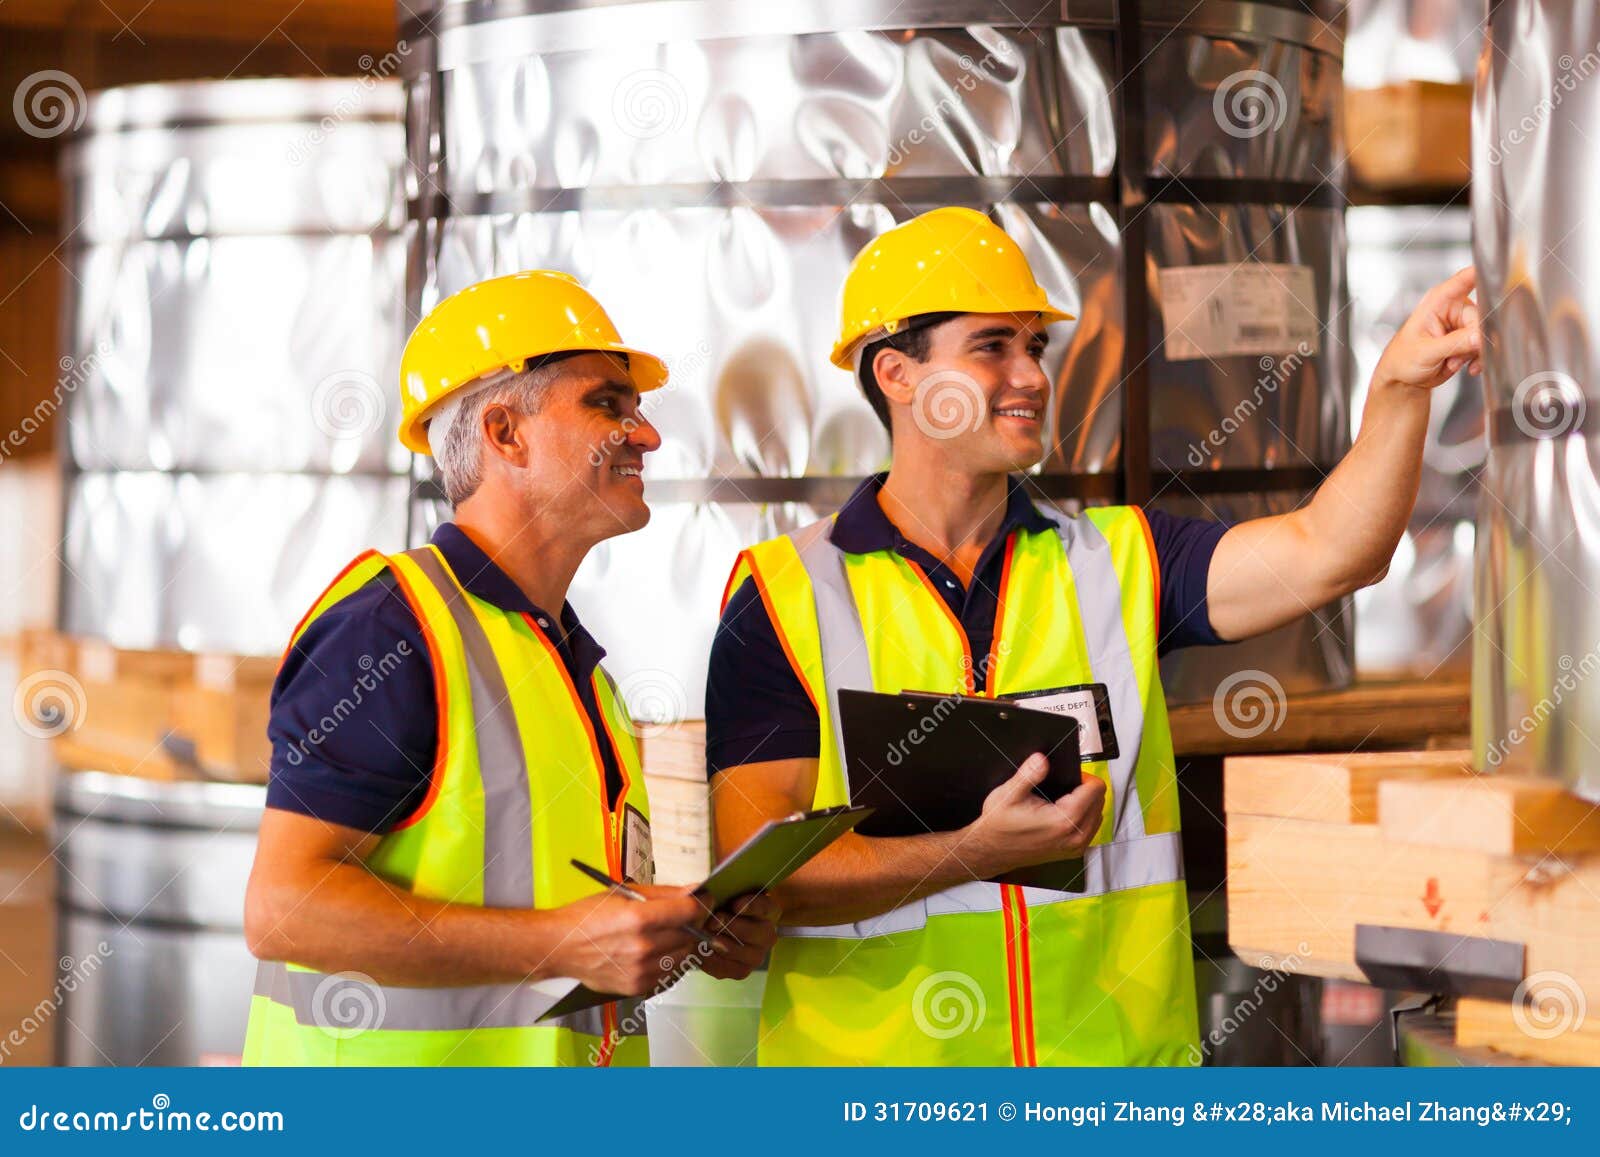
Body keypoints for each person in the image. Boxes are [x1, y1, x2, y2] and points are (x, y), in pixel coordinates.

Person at [706, 207, 1481, 1065]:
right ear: (897, 373)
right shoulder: (786, 594)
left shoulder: (1123, 557)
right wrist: (969, 855)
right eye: (992, 346)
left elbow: (1332, 553)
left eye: (1035, 347)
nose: (1032, 374)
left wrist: (1403, 389)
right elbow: (758, 872)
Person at [243, 270, 779, 1066]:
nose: (648, 435)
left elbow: (567, 933)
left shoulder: (583, 673)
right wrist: (559, 942)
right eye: (609, 404)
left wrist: (676, 935)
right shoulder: (394, 627)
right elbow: (286, 908)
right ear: (505, 433)